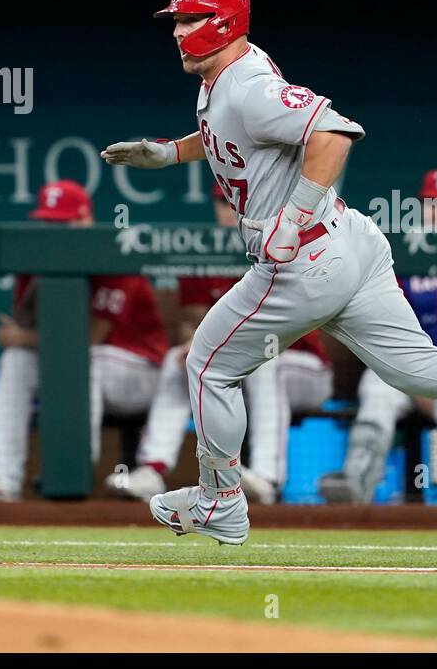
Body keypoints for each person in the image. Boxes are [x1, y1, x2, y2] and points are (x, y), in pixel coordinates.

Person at [101, 0, 437, 545]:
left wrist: (293, 216)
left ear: (221, 23)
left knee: (206, 365)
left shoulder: (247, 83)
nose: (177, 31)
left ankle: (221, 500)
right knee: (414, 367)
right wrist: (172, 153)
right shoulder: (225, 80)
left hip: (305, 258)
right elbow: (233, 132)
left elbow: (335, 135)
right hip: (349, 243)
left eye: (188, 19)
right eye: (175, 20)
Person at [105, 184, 333, 504]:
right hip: (238, 363)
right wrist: (194, 342)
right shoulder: (205, 249)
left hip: (300, 368)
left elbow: (283, 327)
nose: (229, 211)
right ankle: (152, 469)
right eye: (223, 204)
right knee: (179, 359)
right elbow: (194, 320)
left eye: (236, 204)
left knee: (266, 363)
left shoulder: (283, 244)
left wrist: (220, 344)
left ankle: (268, 476)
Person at [0, 180, 169, 502]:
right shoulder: (36, 258)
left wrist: (22, 336)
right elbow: (24, 327)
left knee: (85, 358)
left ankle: (74, 469)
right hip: (80, 366)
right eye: (47, 222)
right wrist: (24, 326)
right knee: (16, 360)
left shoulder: (114, 253)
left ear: (85, 220)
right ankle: (1, 478)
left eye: (61, 223)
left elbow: (92, 336)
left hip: (140, 373)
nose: (53, 230)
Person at [319, 168, 437, 505]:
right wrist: (417, 378)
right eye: (433, 204)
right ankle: (355, 487)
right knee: (374, 389)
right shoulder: (400, 253)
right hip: (405, 367)